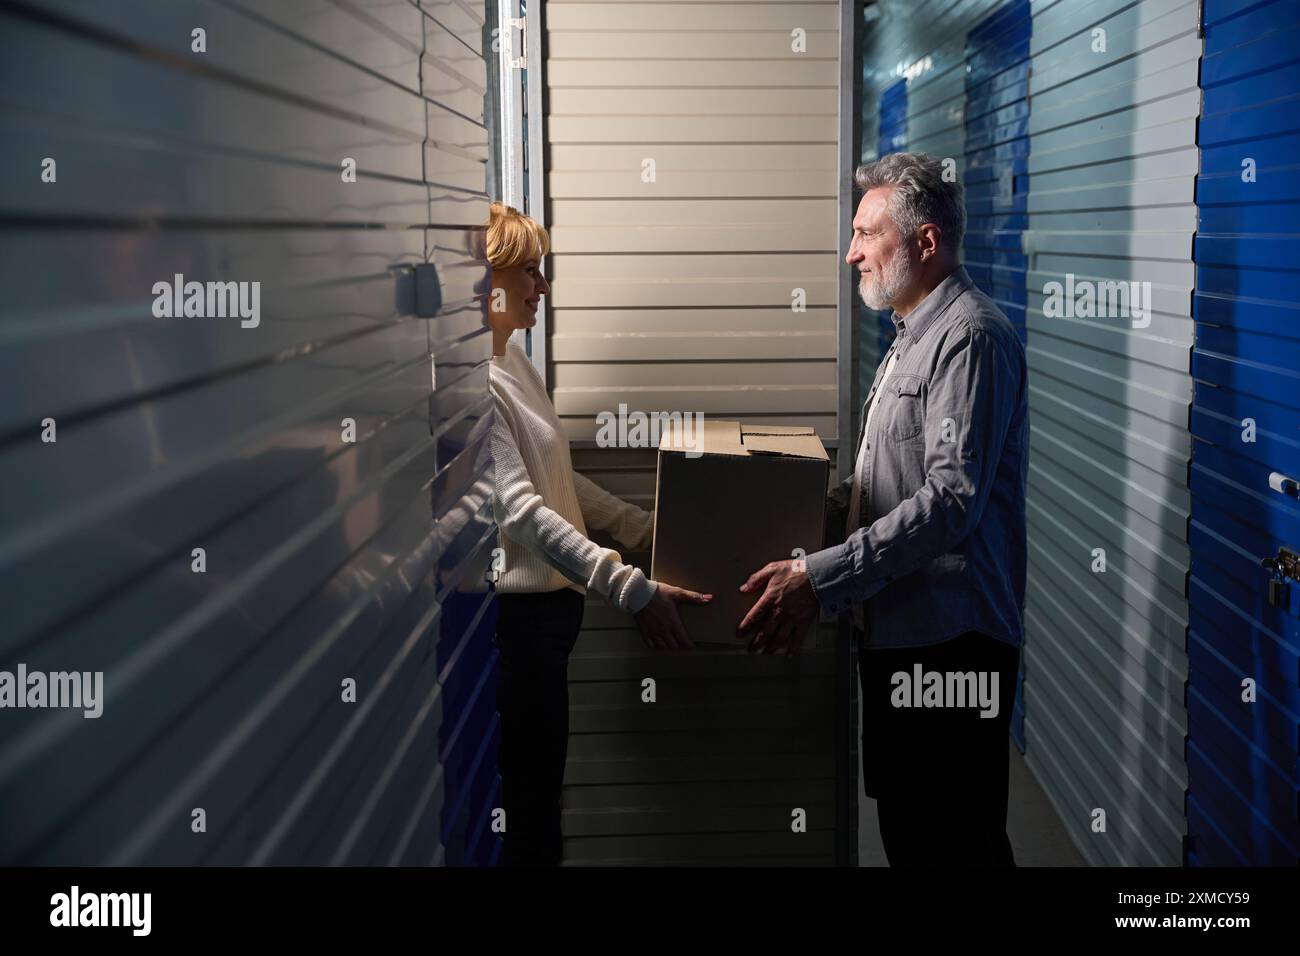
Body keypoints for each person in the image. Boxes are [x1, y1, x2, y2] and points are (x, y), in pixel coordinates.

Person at [735, 152, 1029, 866]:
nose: (851, 253)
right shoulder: (911, 339)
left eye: (869, 234)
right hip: (901, 637)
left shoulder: (969, 338)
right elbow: (878, 487)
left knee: (954, 841)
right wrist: (780, 517)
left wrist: (820, 578)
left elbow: (948, 503)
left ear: (926, 243)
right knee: (912, 831)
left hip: (950, 647)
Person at [484, 202, 710, 866]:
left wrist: (646, 530)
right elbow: (522, 511)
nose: (542, 288)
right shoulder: (473, 385)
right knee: (528, 811)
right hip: (516, 633)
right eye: (530, 270)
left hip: (549, 628)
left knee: (540, 795)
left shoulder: (512, 365)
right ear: (485, 279)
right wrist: (632, 590)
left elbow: (561, 479)